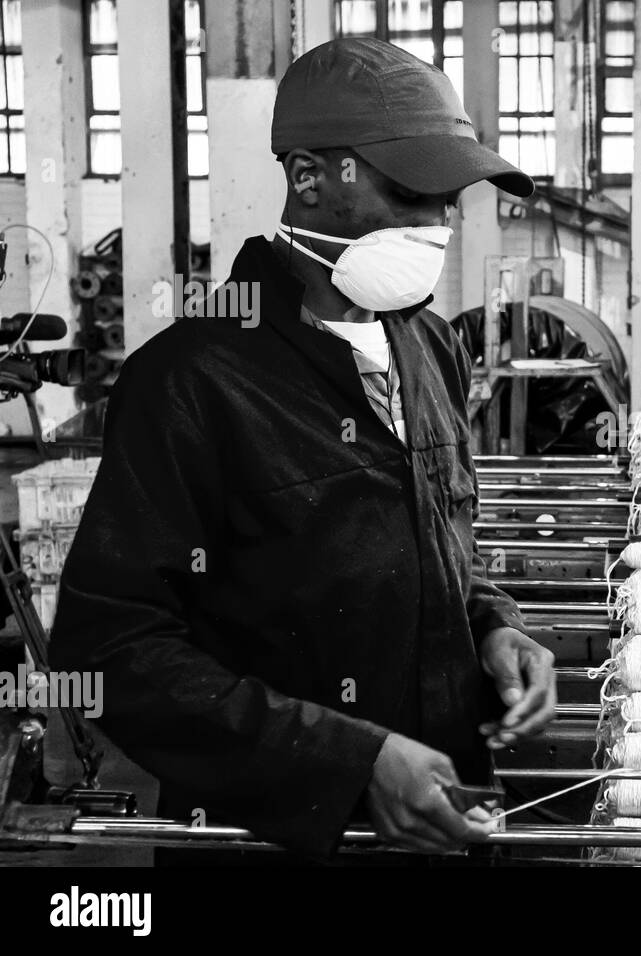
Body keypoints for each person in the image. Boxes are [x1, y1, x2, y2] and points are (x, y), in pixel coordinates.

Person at [52, 37, 556, 862]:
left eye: (449, 198)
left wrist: (493, 624)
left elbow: (431, 542)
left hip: (444, 817)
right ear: (310, 178)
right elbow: (110, 654)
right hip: (273, 841)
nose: (437, 225)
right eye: (410, 192)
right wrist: (347, 762)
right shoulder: (192, 381)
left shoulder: (430, 347)